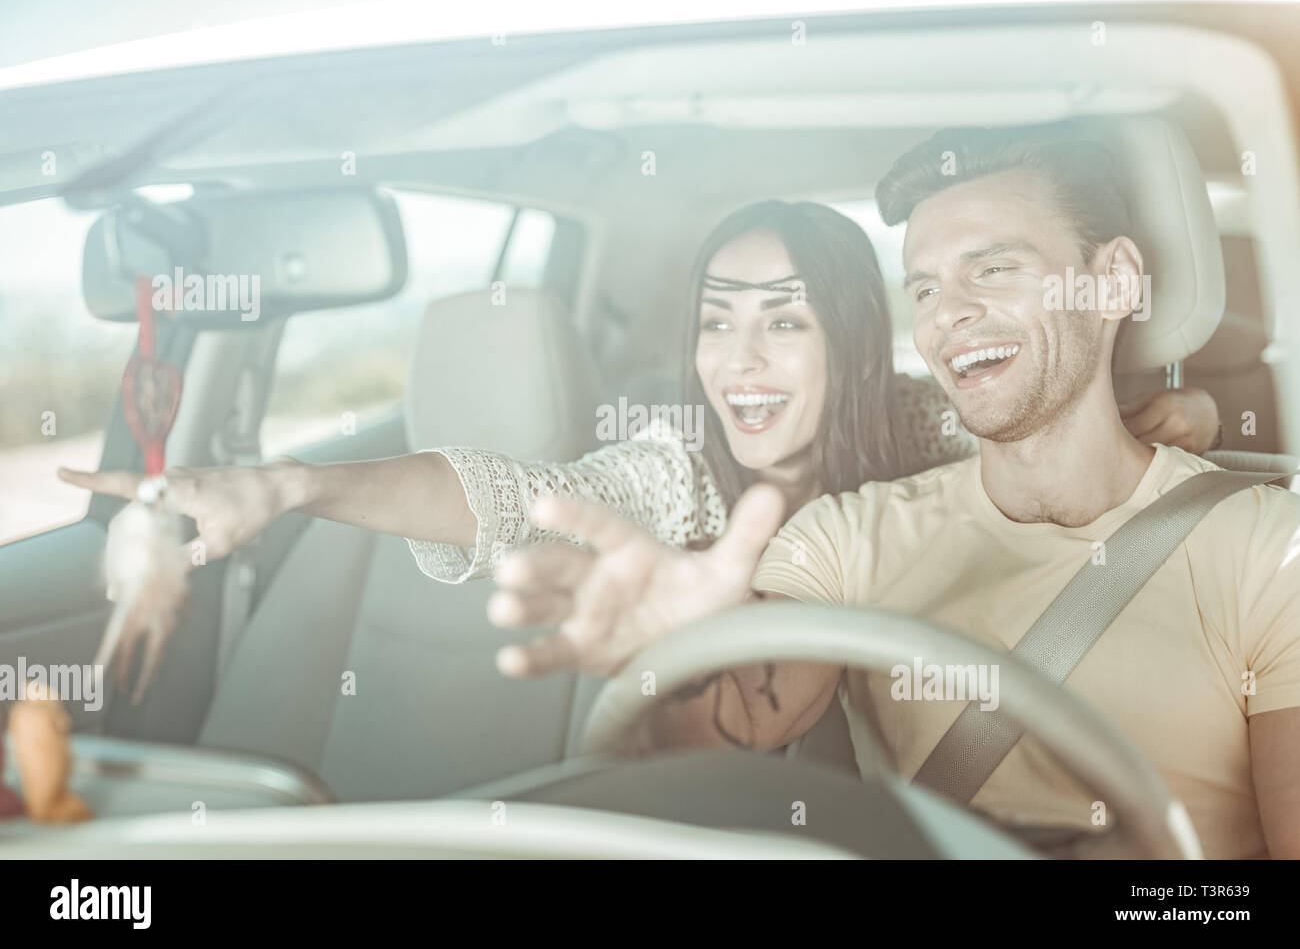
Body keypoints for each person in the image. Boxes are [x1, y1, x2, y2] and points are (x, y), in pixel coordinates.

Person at [487, 130, 1300, 860]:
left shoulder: (1268, 546)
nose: (951, 315)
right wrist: (677, 656)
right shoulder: (843, 536)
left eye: (993, 268)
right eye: (926, 289)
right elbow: (737, 727)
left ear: (1113, 281)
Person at [59, 201, 1219, 695]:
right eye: (715, 319)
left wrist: (1176, 421)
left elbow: (1068, 421)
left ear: (858, 338)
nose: (739, 360)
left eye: (783, 318)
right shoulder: (672, 468)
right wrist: (294, 480)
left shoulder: (928, 425)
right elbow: (510, 499)